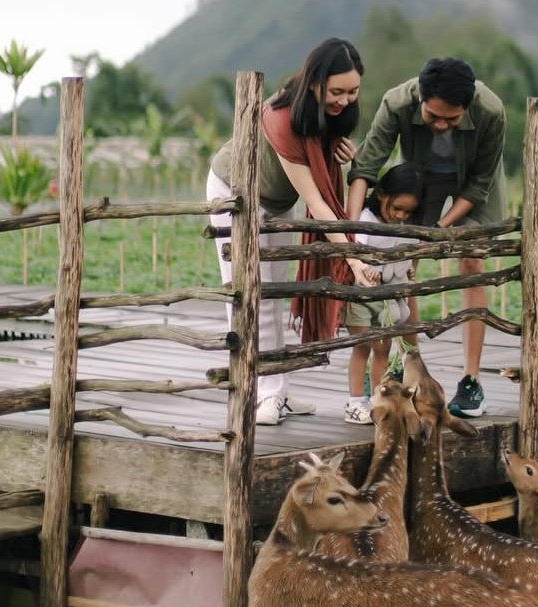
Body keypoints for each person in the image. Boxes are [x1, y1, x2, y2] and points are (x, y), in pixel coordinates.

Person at [207, 38, 376, 425]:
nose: (345, 100)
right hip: (235, 192)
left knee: (273, 296)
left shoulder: (325, 112)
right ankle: (260, 394)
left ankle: (276, 391)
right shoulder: (284, 118)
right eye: (337, 91)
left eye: (353, 92)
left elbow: (319, 172)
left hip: (276, 202)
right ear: (315, 83)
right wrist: (353, 256)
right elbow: (317, 205)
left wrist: (340, 153)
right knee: (247, 294)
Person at [347, 57, 506, 419]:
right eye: (433, 117)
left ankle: (471, 380)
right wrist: (354, 229)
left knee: (472, 262)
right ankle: (410, 361)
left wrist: (439, 230)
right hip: (422, 181)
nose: (440, 125)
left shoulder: (491, 111)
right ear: (420, 98)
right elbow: (366, 167)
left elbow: (480, 183)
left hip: (473, 188)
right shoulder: (396, 103)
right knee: (405, 262)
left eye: (451, 119)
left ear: (467, 106)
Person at [343, 162, 420, 424]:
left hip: (386, 298)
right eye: (396, 208)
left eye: (407, 212)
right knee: (362, 347)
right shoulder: (366, 221)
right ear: (381, 194)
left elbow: (403, 257)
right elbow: (355, 254)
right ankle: (355, 402)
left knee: (383, 348)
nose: (400, 216)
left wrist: (407, 271)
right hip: (363, 297)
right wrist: (366, 268)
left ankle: (378, 399)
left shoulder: (404, 229)